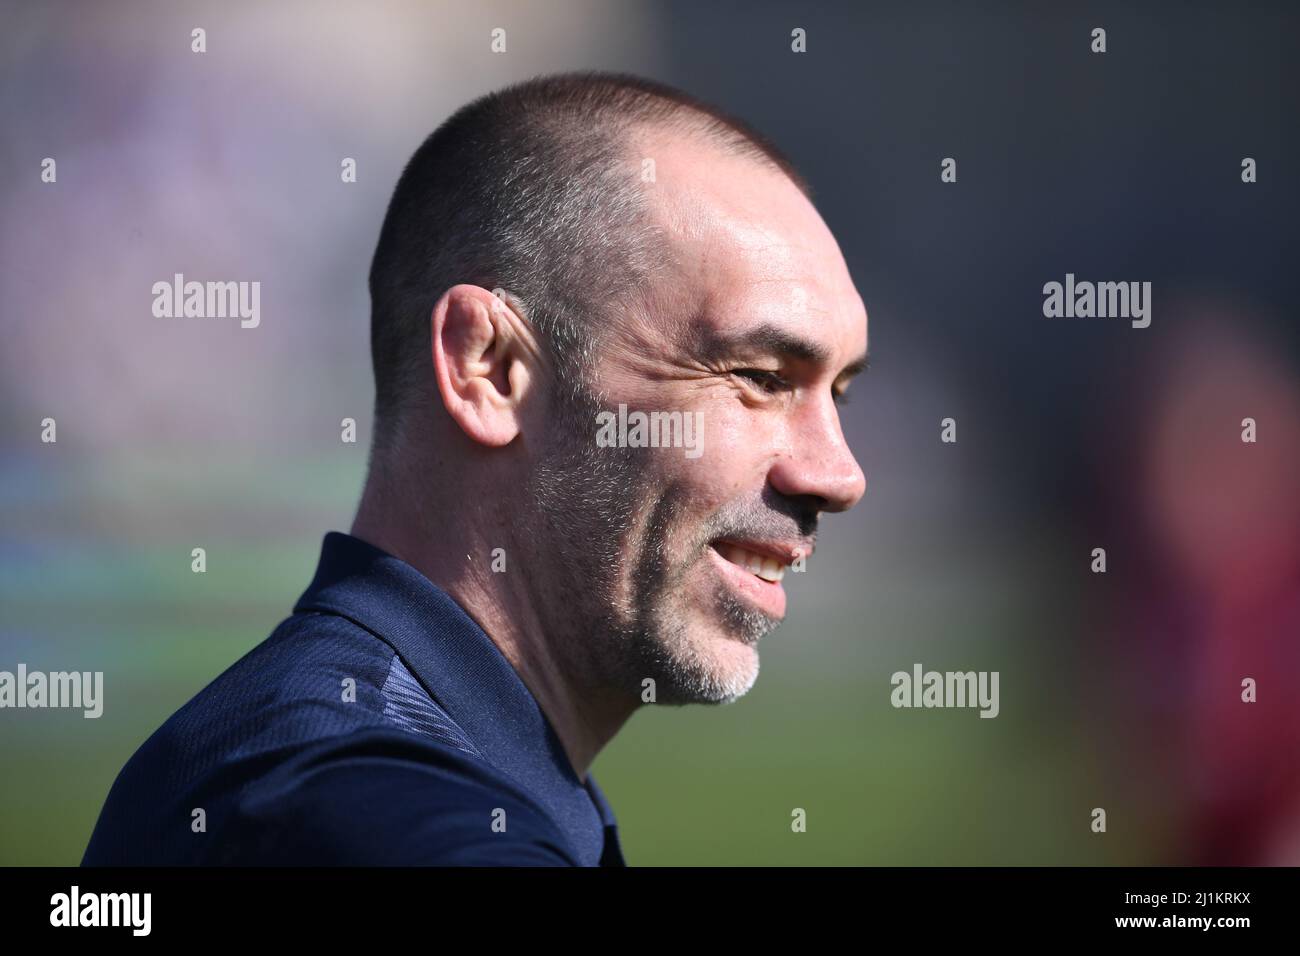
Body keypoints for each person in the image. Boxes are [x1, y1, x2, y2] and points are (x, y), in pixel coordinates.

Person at [82, 70, 869, 866]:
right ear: (489, 368)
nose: (838, 475)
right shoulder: (338, 804)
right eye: (763, 378)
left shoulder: (403, 765)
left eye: (837, 391)